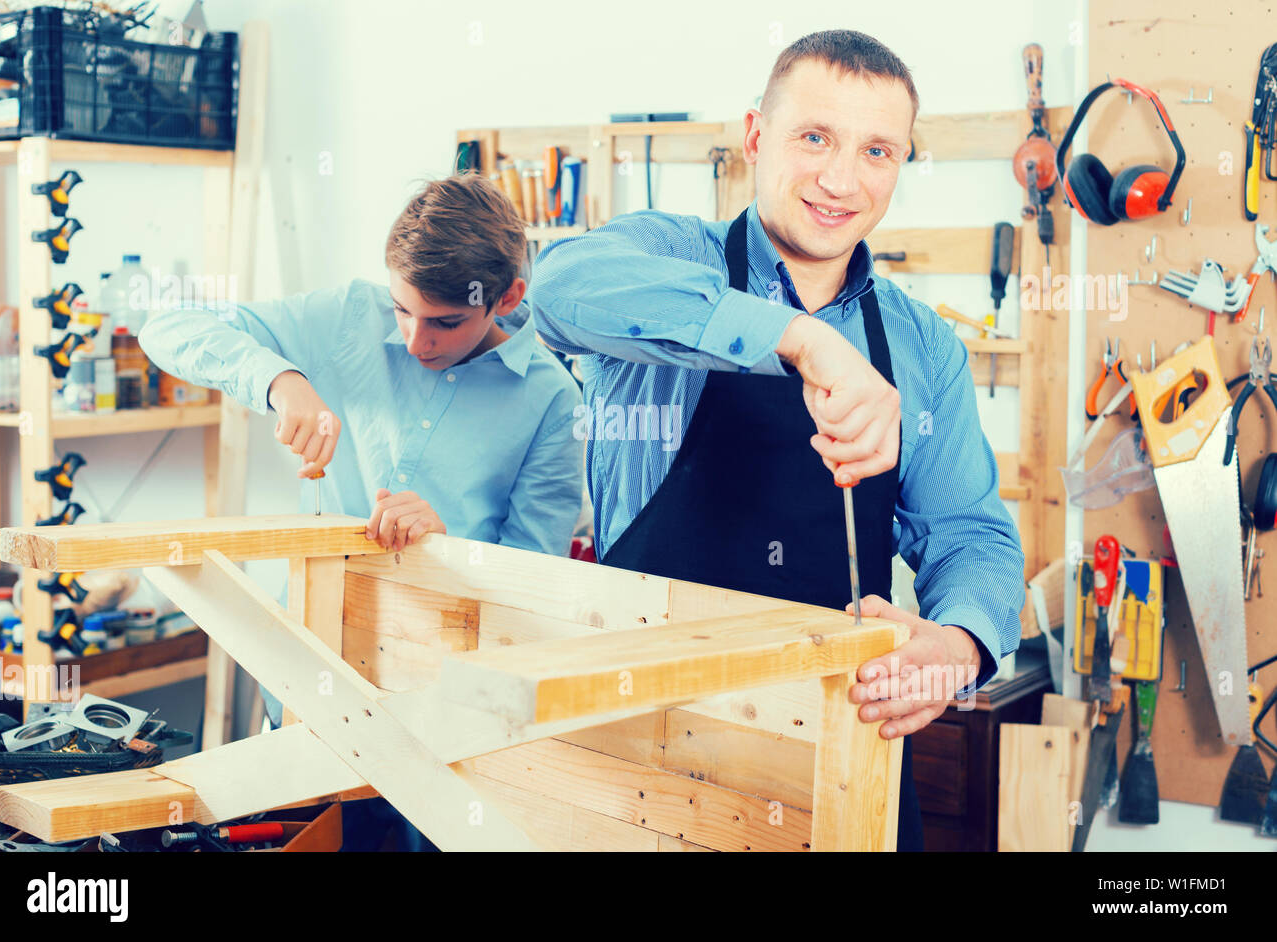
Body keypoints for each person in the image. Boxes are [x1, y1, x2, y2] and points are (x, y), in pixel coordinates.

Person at [528, 29, 1025, 852]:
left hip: (833, 757)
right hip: (639, 752)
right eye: (815, 138)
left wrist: (957, 642)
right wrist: (801, 339)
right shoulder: (663, 254)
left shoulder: (921, 344)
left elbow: (969, 532)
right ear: (756, 137)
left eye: (877, 151)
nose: (841, 180)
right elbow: (557, 289)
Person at [140, 172, 584, 849]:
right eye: (404, 310)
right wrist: (280, 380)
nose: (415, 340)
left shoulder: (552, 401)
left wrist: (444, 546)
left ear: (508, 297)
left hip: (445, 699)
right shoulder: (348, 316)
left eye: (445, 322)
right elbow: (166, 327)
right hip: (309, 667)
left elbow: (535, 582)